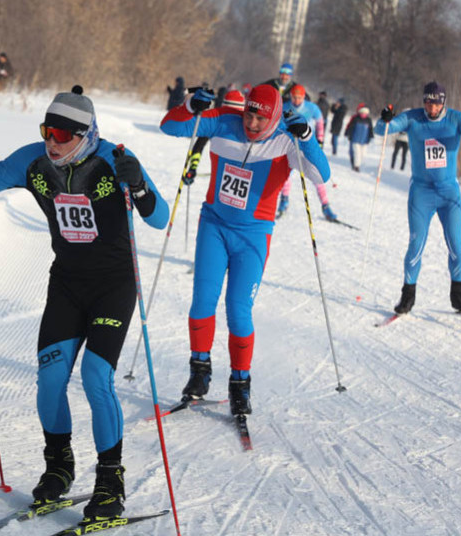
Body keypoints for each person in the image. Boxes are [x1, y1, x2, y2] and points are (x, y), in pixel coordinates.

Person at [0, 86, 169, 521]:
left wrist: (137, 184)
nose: (53, 142)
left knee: (96, 377)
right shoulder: (33, 161)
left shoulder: (114, 161)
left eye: (63, 134)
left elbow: (160, 218)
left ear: (87, 134)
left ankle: (109, 481)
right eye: (48, 131)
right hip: (67, 284)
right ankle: (59, 467)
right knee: (49, 380)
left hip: (113, 285)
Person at [159, 84, 331, 418]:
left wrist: (307, 138)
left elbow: (320, 174)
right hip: (214, 226)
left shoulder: (285, 138)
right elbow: (170, 126)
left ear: (275, 117)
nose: (252, 124)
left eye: (261, 119)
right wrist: (190, 106)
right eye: (249, 115)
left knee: (238, 310)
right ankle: (199, 372)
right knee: (201, 302)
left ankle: (240, 386)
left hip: (252, 236)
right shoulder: (224, 120)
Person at [375, 81, 461, 316]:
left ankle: (458, 297)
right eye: (428, 101)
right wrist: (384, 118)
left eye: (436, 102)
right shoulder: (413, 118)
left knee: (456, 246)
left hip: (449, 194)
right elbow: (382, 129)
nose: (432, 107)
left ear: (443, 102)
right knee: (416, 245)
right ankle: (407, 296)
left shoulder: (456, 119)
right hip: (422, 193)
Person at [277, 84, 339, 221]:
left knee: (317, 176)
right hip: (292, 145)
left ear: (303, 97)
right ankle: (284, 200)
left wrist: (320, 140)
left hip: (308, 145)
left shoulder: (312, 108)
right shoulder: (286, 106)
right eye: (294, 97)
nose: (296, 100)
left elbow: (320, 123)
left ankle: (325, 206)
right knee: (288, 175)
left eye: (299, 98)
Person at [344, 104, 374, 171]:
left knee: (362, 154)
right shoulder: (355, 118)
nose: (363, 114)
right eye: (362, 112)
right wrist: (348, 134)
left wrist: (371, 137)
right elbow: (351, 127)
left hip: (364, 140)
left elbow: (370, 129)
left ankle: (357, 164)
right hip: (355, 139)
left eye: (365, 113)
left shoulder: (368, 120)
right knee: (356, 153)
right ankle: (356, 166)